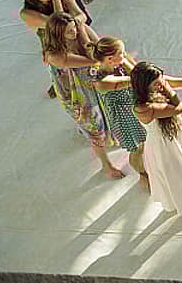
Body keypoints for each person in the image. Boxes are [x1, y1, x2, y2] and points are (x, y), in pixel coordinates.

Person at [39, 13, 121, 178]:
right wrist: (84, 35)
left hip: (92, 84)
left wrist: (82, 27)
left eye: (74, 28)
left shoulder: (79, 30)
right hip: (76, 94)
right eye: (69, 31)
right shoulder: (55, 55)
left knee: (106, 112)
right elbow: (93, 60)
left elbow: (97, 50)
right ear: (58, 35)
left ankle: (108, 134)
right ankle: (107, 166)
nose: (74, 32)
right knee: (93, 128)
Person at [131, 61, 182, 222]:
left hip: (178, 133)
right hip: (164, 144)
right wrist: (168, 89)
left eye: (161, 79)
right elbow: (179, 109)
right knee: (176, 173)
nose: (161, 84)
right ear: (144, 86)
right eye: (156, 83)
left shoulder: (159, 84)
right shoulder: (143, 107)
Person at [91, 36, 152, 188]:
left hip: (133, 110)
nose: (125, 55)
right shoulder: (102, 82)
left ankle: (148, 168)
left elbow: (138, 72)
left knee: (145, 143)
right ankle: (142, 174)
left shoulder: (118, 65)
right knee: (137, 149)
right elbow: (138, 79)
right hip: (124, 119)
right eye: (122, 53)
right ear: (110, 59)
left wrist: (124, 61)